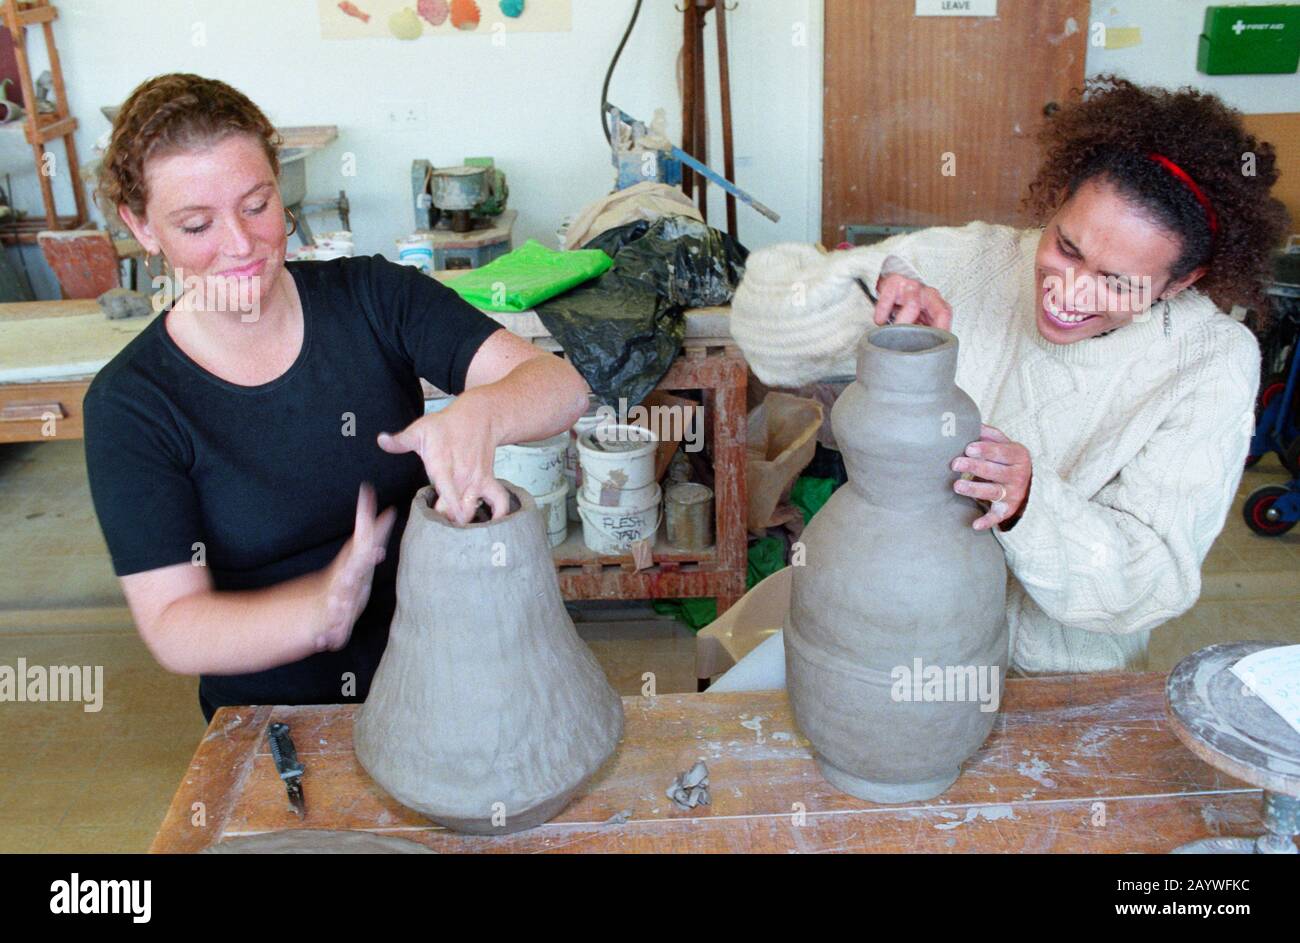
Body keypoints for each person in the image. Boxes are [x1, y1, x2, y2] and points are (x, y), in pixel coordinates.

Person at [728, 75, 1290, 675]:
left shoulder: (1211, 362)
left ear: (1181, 282)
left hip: (1054, 672)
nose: (1068, 292)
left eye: (1117, 281)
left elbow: (1152, 582)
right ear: (1057, 205)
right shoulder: (975, 262)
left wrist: (1029, 504)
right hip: (886, 626)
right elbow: (763, 330)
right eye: (1067, 249)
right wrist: (866, 303)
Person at [84, 74, 590, 720]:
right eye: (196, 224)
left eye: (257, 204)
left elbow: (564, 386)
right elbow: (174, 624)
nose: (240, 244)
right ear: (142, 226)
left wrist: (481, 413)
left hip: (444, 676)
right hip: (276, 720)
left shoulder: (373, 298)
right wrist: (316, 612)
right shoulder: (133, 405)